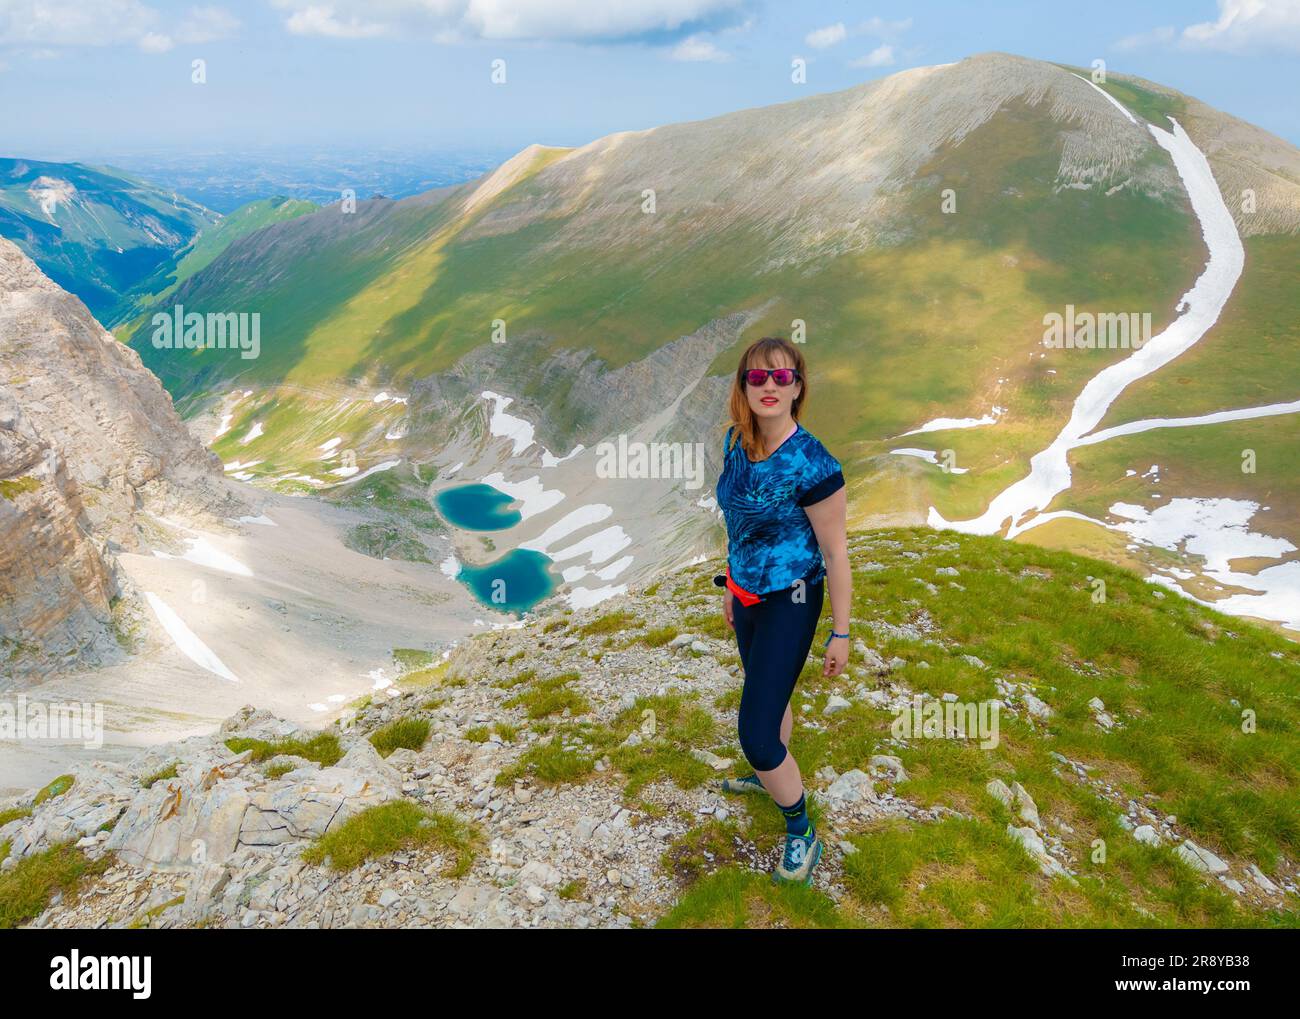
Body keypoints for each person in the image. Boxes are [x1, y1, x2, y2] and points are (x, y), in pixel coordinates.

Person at [713, 336, 851, 886]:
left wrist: (840, 633)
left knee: (755, 732)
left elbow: (837, 552)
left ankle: (801, 832)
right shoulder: (734, 442)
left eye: (781, 377)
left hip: (792, 599)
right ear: (743, 387)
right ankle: (771, 772)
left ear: (798, 386)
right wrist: (731, 582)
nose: (769, 387)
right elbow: (738, 523)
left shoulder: (814, 463)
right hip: (747, 595)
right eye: (757, 377)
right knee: (767, 693)